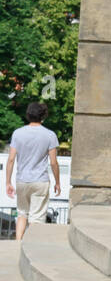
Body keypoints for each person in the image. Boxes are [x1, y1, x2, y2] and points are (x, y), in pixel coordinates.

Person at [6, 102, 60, 242]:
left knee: (22, 214)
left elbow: (11, 159)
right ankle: (32, 247)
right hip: (40, 181)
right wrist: (58, 182)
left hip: (22, 180)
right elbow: (53, 162)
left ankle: (17, 244)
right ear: (43, 116)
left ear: (28, 114)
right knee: (36, 218)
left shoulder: (17, 133)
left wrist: (8, 182)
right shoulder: (50, 135)